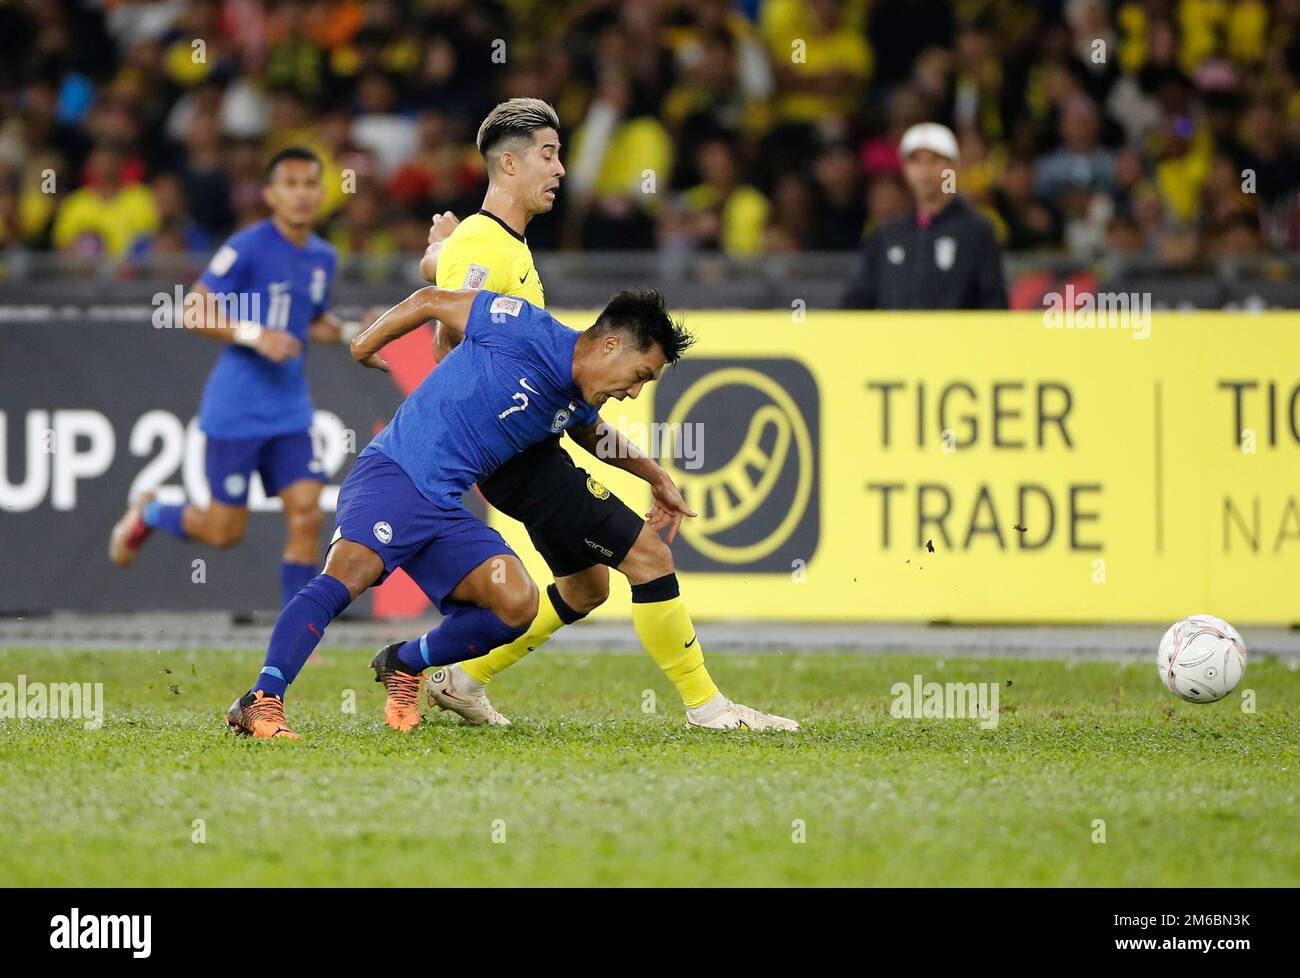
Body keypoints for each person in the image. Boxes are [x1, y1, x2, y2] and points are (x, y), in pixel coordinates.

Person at [225, 286, 795, 738]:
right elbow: (429, 300)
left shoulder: (574, 397)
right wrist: (363, 345)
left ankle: (405, 661)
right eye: (640, 376)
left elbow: (597, 438)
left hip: (445, 506)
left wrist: (656, 477)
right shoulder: (522, 325)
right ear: (610, 345)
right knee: (344, 579)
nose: (634, 392)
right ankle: (261, 699)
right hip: (397, 476)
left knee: (516, 603)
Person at [417, 98, 796, 732]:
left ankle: (460, 679)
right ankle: (709, 709)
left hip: (527, 448)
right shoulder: (485, 242)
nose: (561, 168)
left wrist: (652, 475)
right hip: (518, 455)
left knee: (587, 586)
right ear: (507, 163)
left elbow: (452, 286)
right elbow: (448, 337)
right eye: (549, 153)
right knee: (650, 559)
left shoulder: (498, 246)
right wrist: (446, 261)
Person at [108, 147, 364, 611]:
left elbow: (309, 322)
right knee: (224, 533)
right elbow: (192, 309)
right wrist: (254, 333)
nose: (301, 194)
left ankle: (298, 640)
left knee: (307, 514)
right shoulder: (247, 245)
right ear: (270, 194)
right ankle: (148, 510)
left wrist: (354, 332)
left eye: (310, 184)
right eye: (290, 185)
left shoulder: (324, 257)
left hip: (290, 410)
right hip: (237, 411)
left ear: (322, 193)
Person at [842, 122, 1008, 310]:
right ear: (904, 169)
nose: (925, 170)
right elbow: (857, 302)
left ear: (953, 166)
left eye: (935, 160)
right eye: (915, 161)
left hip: (956, 338)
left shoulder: (977, 230)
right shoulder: (886, 234)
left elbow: (993, 302)